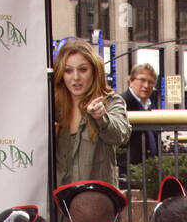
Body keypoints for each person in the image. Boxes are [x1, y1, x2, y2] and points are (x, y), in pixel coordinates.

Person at [54, 38, 130, 188]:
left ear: (95, 71)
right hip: (60, 202)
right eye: (68, 70)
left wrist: (101, 118)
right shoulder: (54, 107)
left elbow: (122, 134)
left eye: (83, 69)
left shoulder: (110, 101)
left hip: (97, 202)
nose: (76, 77)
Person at [122, 63, 160, 169]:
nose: (146, 85)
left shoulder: (147, 106)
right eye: (142, 80)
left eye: (151, 82)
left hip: (146, 171)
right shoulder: (122, 102)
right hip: (128, 172)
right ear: (131, 81)